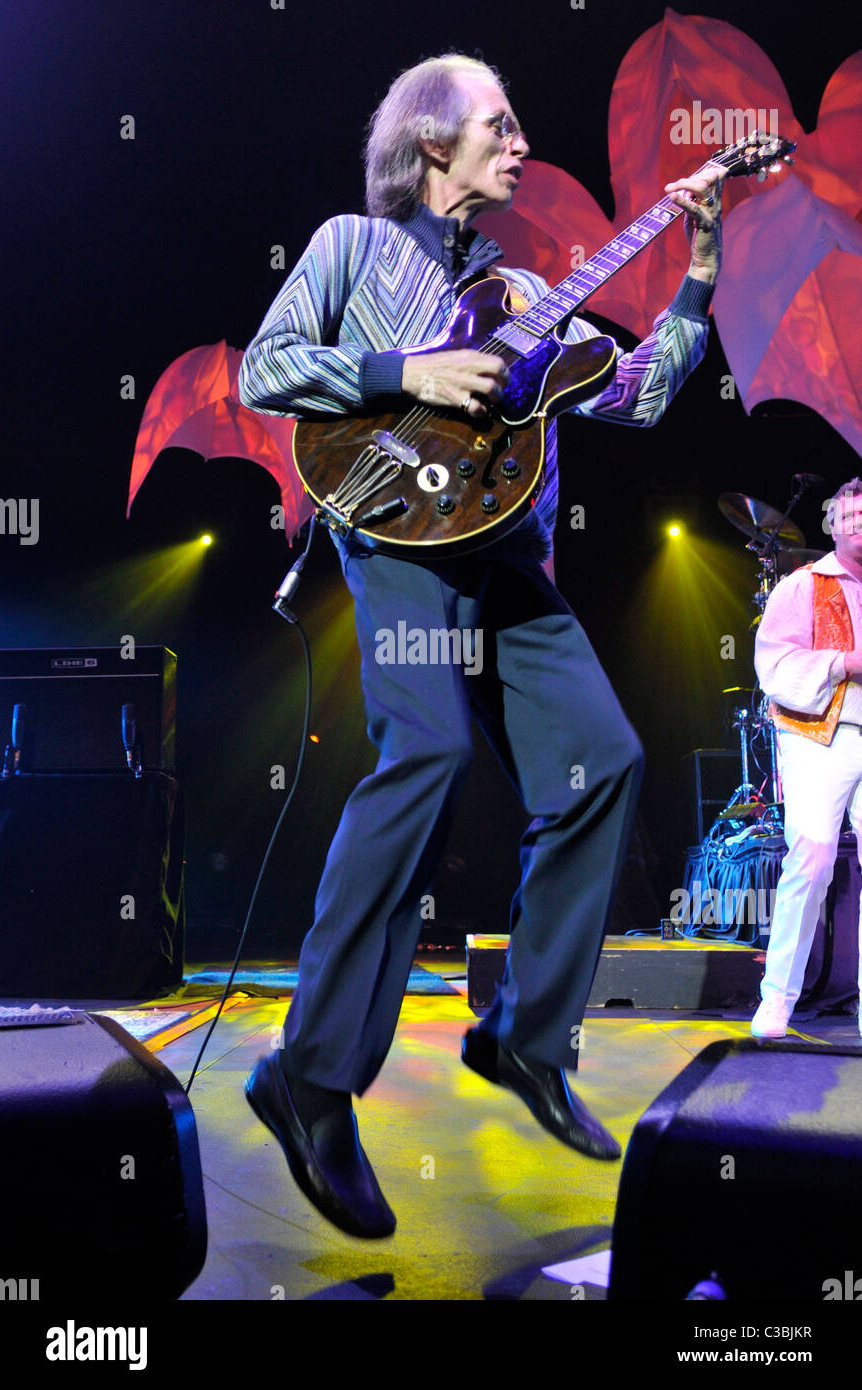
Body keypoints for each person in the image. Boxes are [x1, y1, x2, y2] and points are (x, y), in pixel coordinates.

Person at [239, 53, 724, 1238]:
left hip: (507, 559)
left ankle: (522, 1038)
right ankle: (308, 1073)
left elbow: (641, 395)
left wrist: (698, 272)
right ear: (429, 144)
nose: (519, 145)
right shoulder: (352, 245)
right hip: (399, 533)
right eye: (498, 128)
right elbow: (268, 366)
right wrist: (407, 367)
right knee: (427, 753)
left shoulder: (520, 290)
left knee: (602, 759)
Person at [751, 478, 862, 1038]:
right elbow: (774, 667)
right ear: (833, 525)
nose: (858, 523)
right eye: (849, 515)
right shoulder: (803, 585)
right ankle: (778, 1000)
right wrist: (845, 662)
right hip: (821, 730)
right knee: (813, 856)